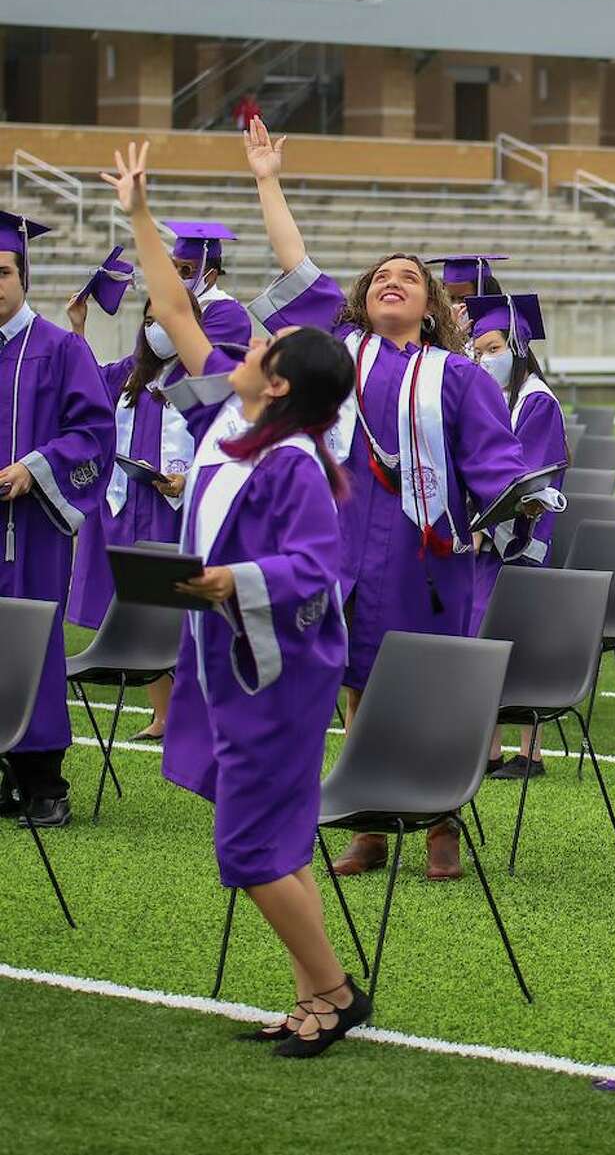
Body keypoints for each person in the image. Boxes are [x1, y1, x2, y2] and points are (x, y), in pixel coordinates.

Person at [103, 140, 370, 1059]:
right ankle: (310, 994)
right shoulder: (228, 414)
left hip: (276, 669)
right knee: (273, 836)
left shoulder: (295, 462)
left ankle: (334, 993)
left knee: (249, 847)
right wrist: (141, 213)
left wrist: (229, 582)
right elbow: (172, 304)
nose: (246, 343)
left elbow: (315, 570)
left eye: (263, 345)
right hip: (227, 658)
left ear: (283, 381)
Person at [240, 117, 559, 879]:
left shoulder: (455, 376)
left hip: (425, 549)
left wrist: (513, 502)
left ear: (431, 307)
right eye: (381, 275)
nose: (392, 281)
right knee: (354, 676)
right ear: (362, 297)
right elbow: (297, 262)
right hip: (342, 539)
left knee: (428, 681)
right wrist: (266, 180)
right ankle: (370, 819)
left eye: (408, 278)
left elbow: (495, 458)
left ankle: (441, 818)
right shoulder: (335, 350)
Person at [0, 212, 115, 829]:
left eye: (1, 271)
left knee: (30, 645)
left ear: (23, 275)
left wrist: (32, 469)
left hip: (31, 527)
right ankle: (4, 779)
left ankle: (44, 784)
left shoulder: (58, 348)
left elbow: (94, 433)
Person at [64, 289, 197, 740]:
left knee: (177, 612)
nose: (157, 326)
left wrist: (189, 479)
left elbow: (229, 439)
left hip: (175, 512)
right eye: (150, 317)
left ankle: (196, 716)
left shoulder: (206, 378)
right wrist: (79, 329)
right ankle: (162, 717)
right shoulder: (129, 374)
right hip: (125, 507)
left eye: (168, 317)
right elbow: (84, 385)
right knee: (140, 610)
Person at [467, 292, 568, 779]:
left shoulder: (537, 402)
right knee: (481, 633)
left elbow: (528, 476)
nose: (484, 358)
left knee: (516, 638)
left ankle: (531, 753)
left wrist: (483, 519)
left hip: (521, 540)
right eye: (478, 350)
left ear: (517, 344)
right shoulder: (495, 398)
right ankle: (487, 750)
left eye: (492, 347)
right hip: (489, 539)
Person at [161, 221, 253, 350]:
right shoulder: (166, 304)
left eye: (186, 269)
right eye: (173, 266)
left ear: (211, 276)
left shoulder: (229, 313)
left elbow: (202, 360)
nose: (176, 276)